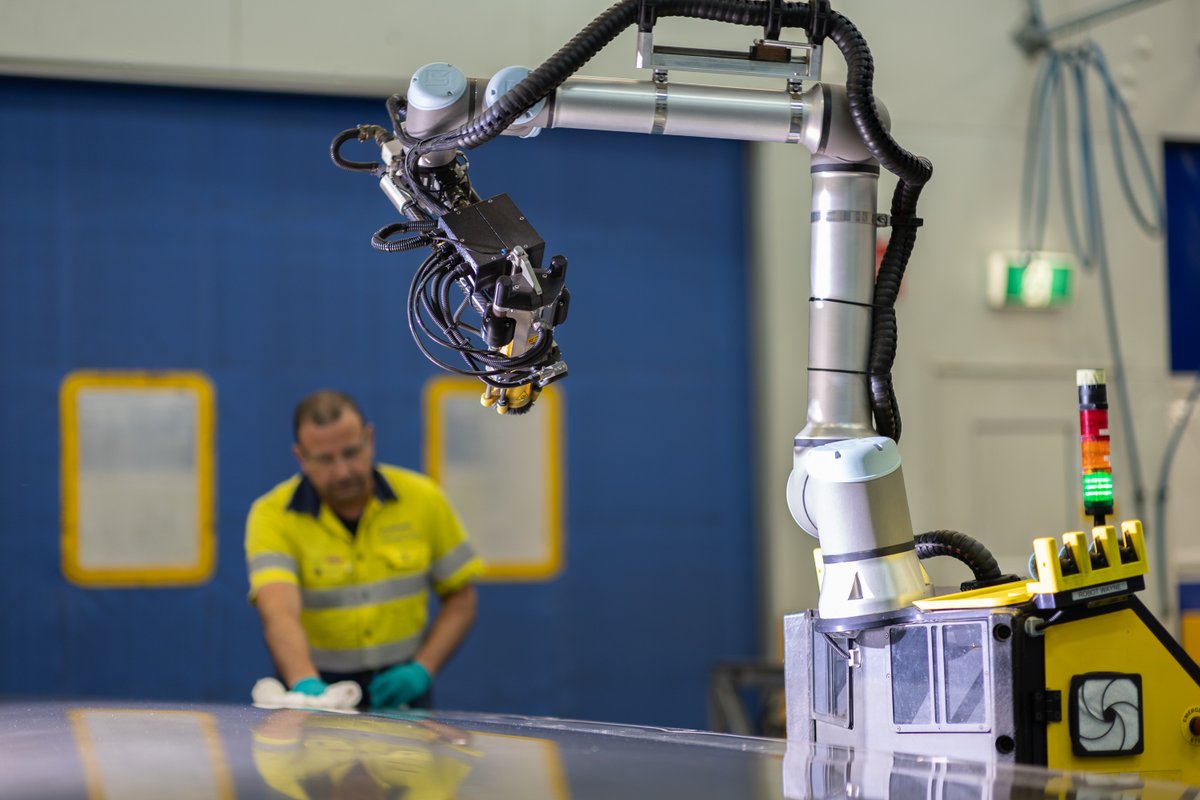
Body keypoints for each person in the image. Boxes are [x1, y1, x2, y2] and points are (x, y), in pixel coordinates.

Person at [245, 389, 482, 709]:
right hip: (319, 692)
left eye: (351, 453)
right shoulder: (272, 516)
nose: (343, 471)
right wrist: (305, 682)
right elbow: (278, 609)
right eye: (325, 459)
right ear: (301, 457)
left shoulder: (423, 500)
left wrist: (422, 670)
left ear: (369, 439)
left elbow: (461, 599)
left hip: (404, 694)